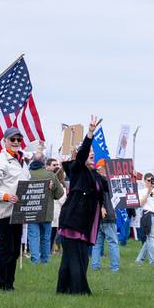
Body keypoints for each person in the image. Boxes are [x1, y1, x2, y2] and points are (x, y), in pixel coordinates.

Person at [56, 118, 106, 295]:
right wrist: (90, 133)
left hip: (86, 222)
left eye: (93, 153)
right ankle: (80, 291)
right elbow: (83, 152)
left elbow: (106, 188)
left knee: (71, 259)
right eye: (89, 153)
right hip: (74, 220)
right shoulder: (76, 168)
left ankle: (64, 289)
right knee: (78, 258)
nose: (92, 155)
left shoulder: (94, 174)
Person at [0, 128, 31, 291]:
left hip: (18, 211)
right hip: (3, 211)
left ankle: (9, 283)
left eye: (19, 139)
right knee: (6, 247)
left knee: (16, 249)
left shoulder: (22, 161)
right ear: (5, 141)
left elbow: (27, 183)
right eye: (13, 139)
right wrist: (5, 196)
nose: (16, 142)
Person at [25, 151, 64, 265]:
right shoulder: (50, 175)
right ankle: (45, 261)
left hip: (31, 211)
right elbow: (60, 193)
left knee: (33, 237)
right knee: (45, 238)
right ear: (44, 161)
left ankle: (35, 261)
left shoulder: (27, 174)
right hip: (46, 211)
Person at [89, 170, 122, 275]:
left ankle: (95, 266)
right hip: (108, 216)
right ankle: (115, 268)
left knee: (96, 244)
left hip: (97, 217)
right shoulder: (110, 183)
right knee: (112, 243)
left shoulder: (94, 182)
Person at [134, 173, 154, 266]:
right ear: (145, 181)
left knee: (149, 239)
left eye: (152, 180)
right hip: (147, 215)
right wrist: (148, 192)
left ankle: (139, 259)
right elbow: (141, 204)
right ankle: (153, 261)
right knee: (151, 238)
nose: (151, 182)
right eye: (149, 180)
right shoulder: (141, 191)